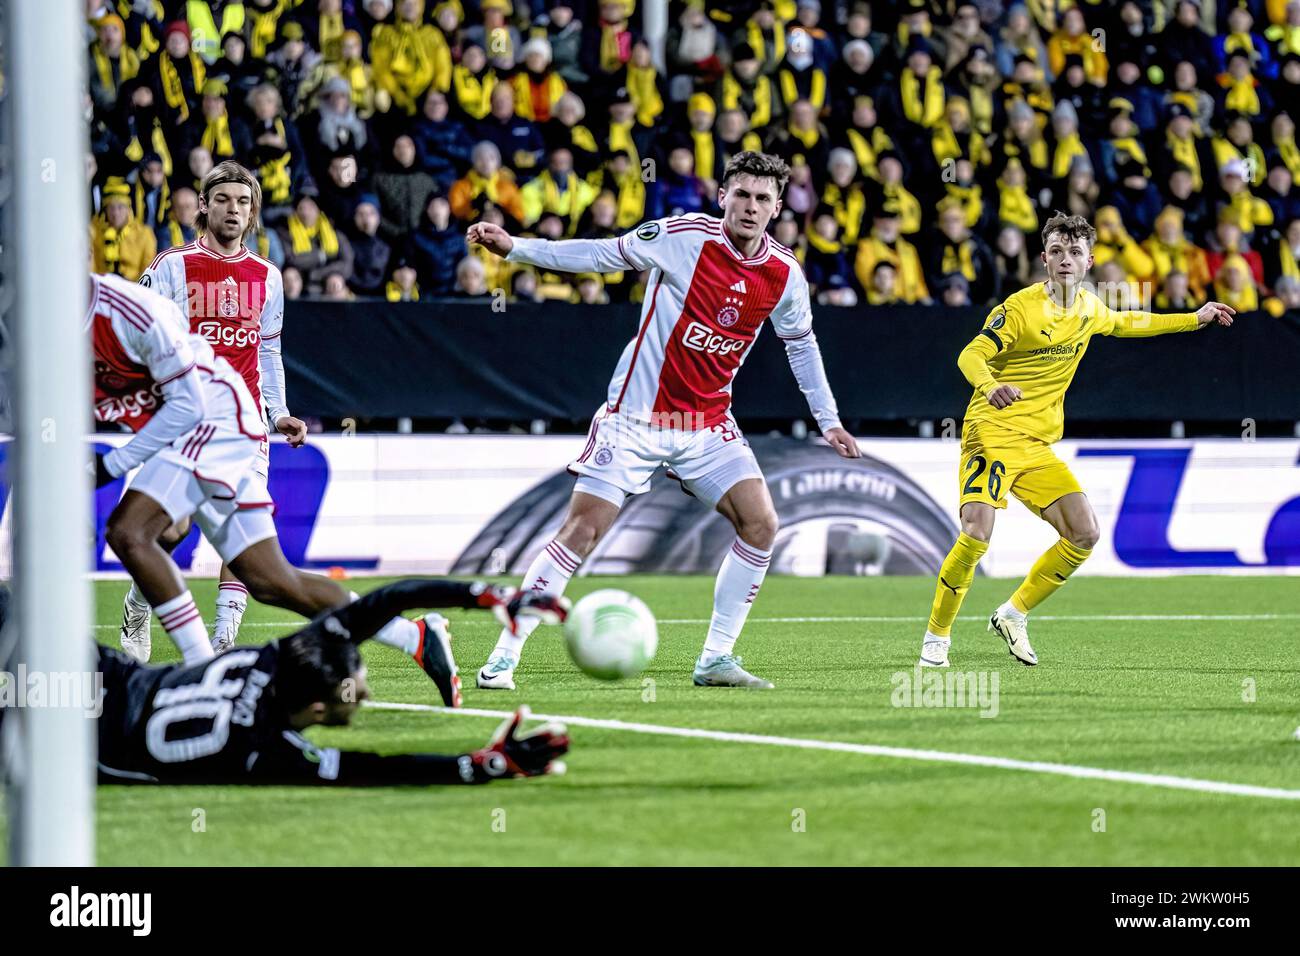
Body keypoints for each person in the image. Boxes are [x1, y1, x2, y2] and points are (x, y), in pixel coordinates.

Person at [467, 151, 861, 691]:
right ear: (723, 196)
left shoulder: (784, 274)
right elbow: (602, 254)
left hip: (706, 423)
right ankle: (503, 658)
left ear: (776, 210)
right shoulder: (682, 236)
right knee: (582, 530)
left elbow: (801, 343)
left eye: (763, 199)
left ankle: (716, 659)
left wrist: (828, 419)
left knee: (762, 524)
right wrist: (517, 248)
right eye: (741, 194)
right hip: (635, 417)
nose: (750, 206)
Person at [916, 212, 1236, 669]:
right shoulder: (1019, 309)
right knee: (976, 533)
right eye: (1058, 252)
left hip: (1037, 444)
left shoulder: (1089, 308)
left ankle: (1012, 613)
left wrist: (1194, 318)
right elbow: (972, 353)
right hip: (992, 431)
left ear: (1090, 260)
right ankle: (937, 639)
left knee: (1084, 532)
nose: (1067, 260)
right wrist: (990, 387)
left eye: (1076, 252)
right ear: (1045, 259)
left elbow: (1130, 323)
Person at [90, 579, 569, 784]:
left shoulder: (283, 654)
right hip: (75, 746)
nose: (367, 692)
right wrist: (476, 766)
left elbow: (389, 599)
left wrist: (488, 596)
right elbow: (376, 770)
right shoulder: (264, 750)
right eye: (357, 692)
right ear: (317, 710)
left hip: (100, 672)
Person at [124, 162, 303, 656]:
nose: (234, 210)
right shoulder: (170, 266)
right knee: (169, 530)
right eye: (223, 199)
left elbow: (268, 351)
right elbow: (136, 335)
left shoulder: (267, 276)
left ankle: (224, 642)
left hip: (244, 428)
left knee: (243, 540)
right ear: (203, 205)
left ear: (253, 213)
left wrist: (278, 412)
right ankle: (138, 609)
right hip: (182, 423)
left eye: (243, 203)